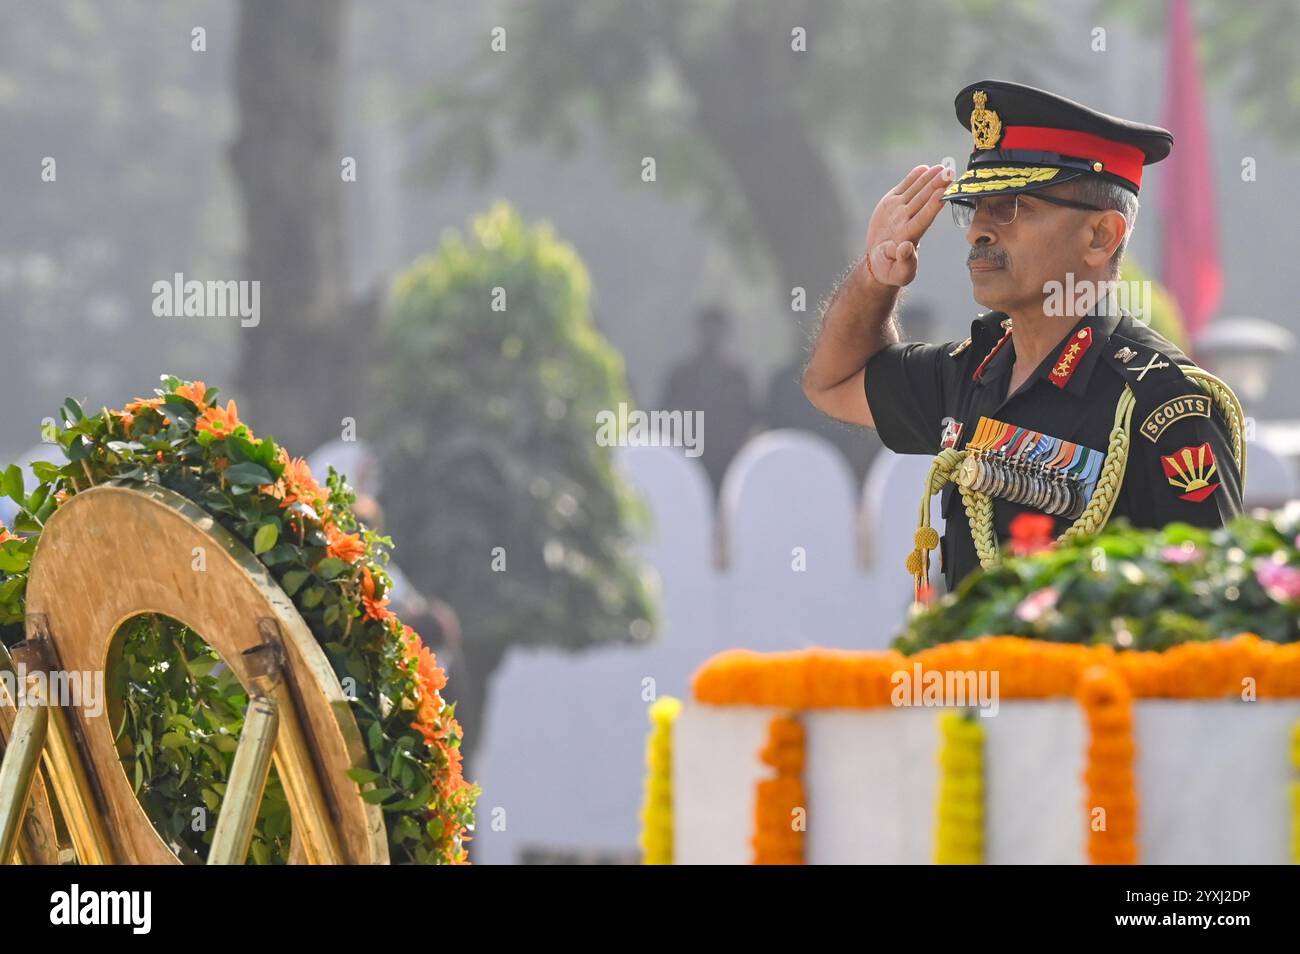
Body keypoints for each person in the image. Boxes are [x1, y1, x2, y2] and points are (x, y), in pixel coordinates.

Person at [801, 80, 1246, 602]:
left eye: (1010, 208)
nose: (977, 232)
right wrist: (875, 279)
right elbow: (832, 382)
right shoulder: (972, 370)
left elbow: (1214, 614)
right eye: (975, 208)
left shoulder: (1161, 405)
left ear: (1101, 236)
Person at [660, 305, 756, 494]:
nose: (711, 337)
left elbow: (749, 418)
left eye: (716, 330)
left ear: (724, 333)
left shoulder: (736, 377)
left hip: (727, 461)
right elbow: (663, 415)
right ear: (698, 332)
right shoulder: (681, 375)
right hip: (689, 458)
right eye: (707, 330)